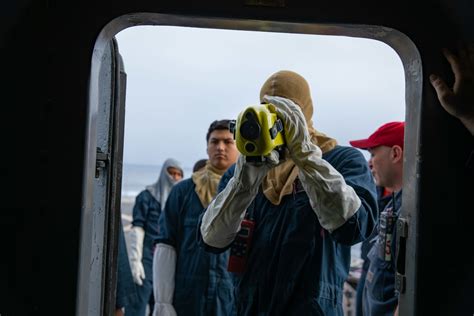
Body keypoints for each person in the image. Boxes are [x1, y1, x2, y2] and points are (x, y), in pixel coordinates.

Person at [199, 70, 378, 315]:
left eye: (287, 111)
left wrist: (305, 155)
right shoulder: (244, 173)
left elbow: (355, 227)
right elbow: (212, 240)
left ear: (303, 112)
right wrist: (244, 181)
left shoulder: (341, 160)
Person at [152, 120, 239, 316]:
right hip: (188, 296)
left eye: (228, 142)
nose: (220, 148)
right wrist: (163, 302)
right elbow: (166, 245)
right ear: (207, 147)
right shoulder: (182, 192)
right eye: (214, 141)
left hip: (231, 298)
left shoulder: (249, 193)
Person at [349, 121, 405, 316]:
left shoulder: (411, 211)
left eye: (373, 154)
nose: (369, 163)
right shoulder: (393, 205)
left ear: (396, 154)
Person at [127, 159, 184, 316]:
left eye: (179, 174)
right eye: (171, 173)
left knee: (162, 307)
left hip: (169, 261)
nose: (175, 177)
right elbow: (137, 228)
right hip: (146, 258)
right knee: (137, 304)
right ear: (163, 173)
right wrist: (135, 260)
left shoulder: (181, 200)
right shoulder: (146, 197)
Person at [355, 186, 391, 316]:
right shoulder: (374, 191)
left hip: (386, 272)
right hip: (368, 264)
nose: (370, 164)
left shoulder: (400, 199)